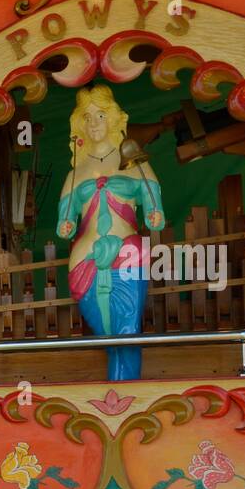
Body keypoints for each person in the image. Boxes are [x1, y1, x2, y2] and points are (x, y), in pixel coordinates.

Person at [57, 84, 166, 381]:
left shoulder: (134, 163)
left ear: (115, 118)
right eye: (88, 117)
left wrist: (155, 212)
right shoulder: (75, 172)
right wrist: (65, 224)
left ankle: (122, 396)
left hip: (127, 252)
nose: (94, 123)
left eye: (101, 115)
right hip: (85, 260)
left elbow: (154, 208)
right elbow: (64, 224)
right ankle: (118, 397)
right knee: (107, 336)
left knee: (127, 331)